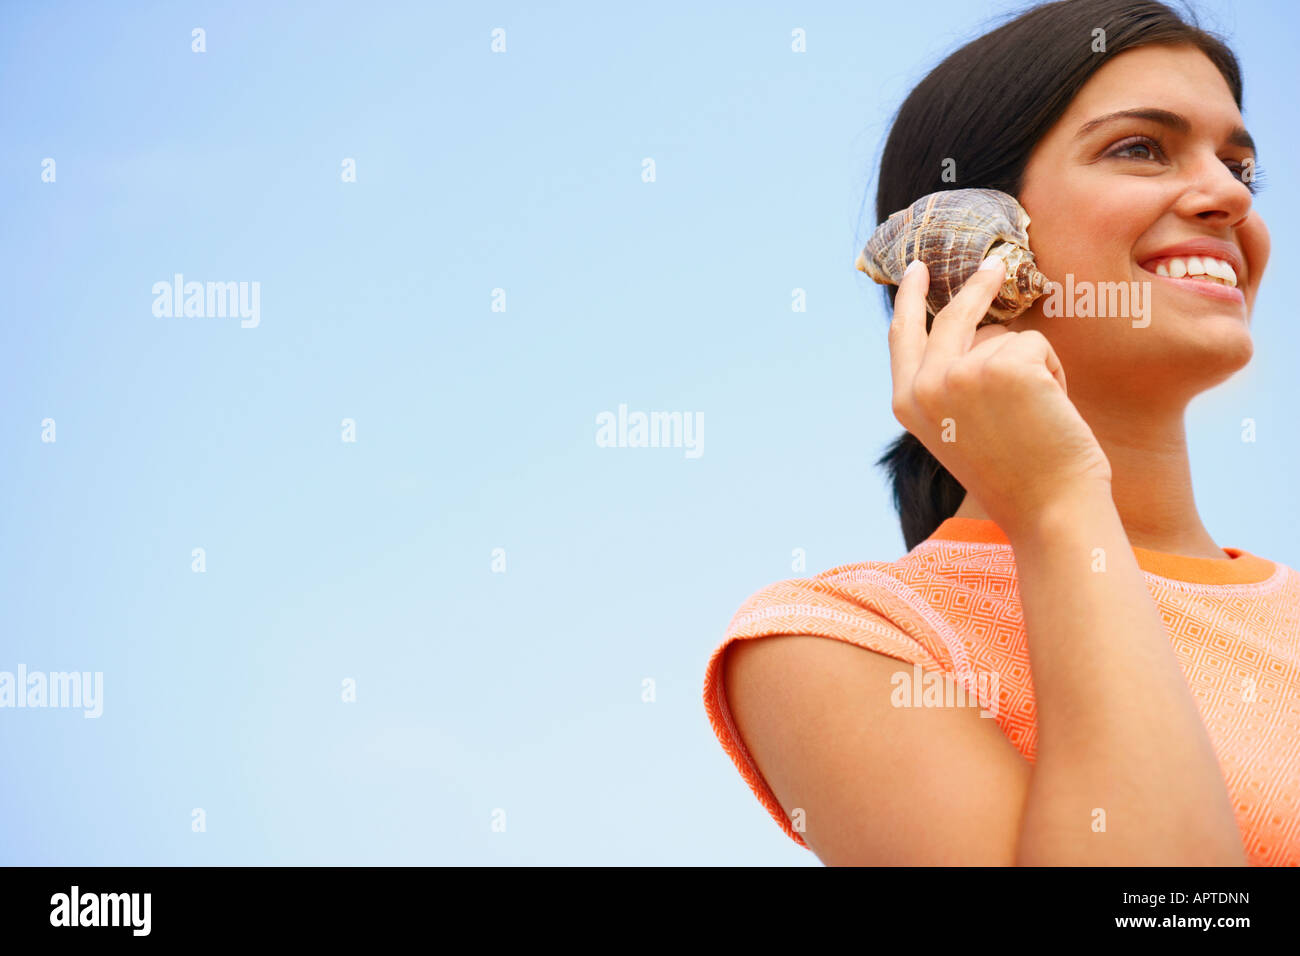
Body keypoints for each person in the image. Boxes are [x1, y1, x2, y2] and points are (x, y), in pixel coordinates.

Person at [702, 0, 1298, 865]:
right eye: (1141, 148)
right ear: (975, 236)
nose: (1227, 197)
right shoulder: (852, 641)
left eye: (1243, 167)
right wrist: (1059, 507)